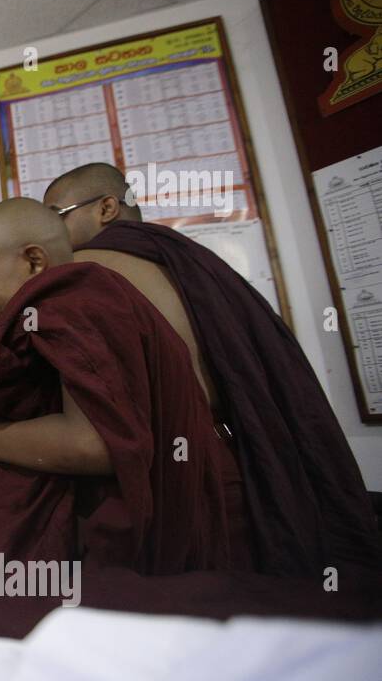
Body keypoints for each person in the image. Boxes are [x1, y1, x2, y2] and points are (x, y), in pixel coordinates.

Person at [46, 162, 380, 578]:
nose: (50, 234)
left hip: (157, 484)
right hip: (241, 468)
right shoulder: (194, 262)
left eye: (56, 216)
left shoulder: (85, 269)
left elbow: (92, 437)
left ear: (107, 208)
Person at [0, 198, 243, 574]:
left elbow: (96, 443)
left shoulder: (70, 305)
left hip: (142, 536)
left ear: (34, 261)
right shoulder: (82, 299)